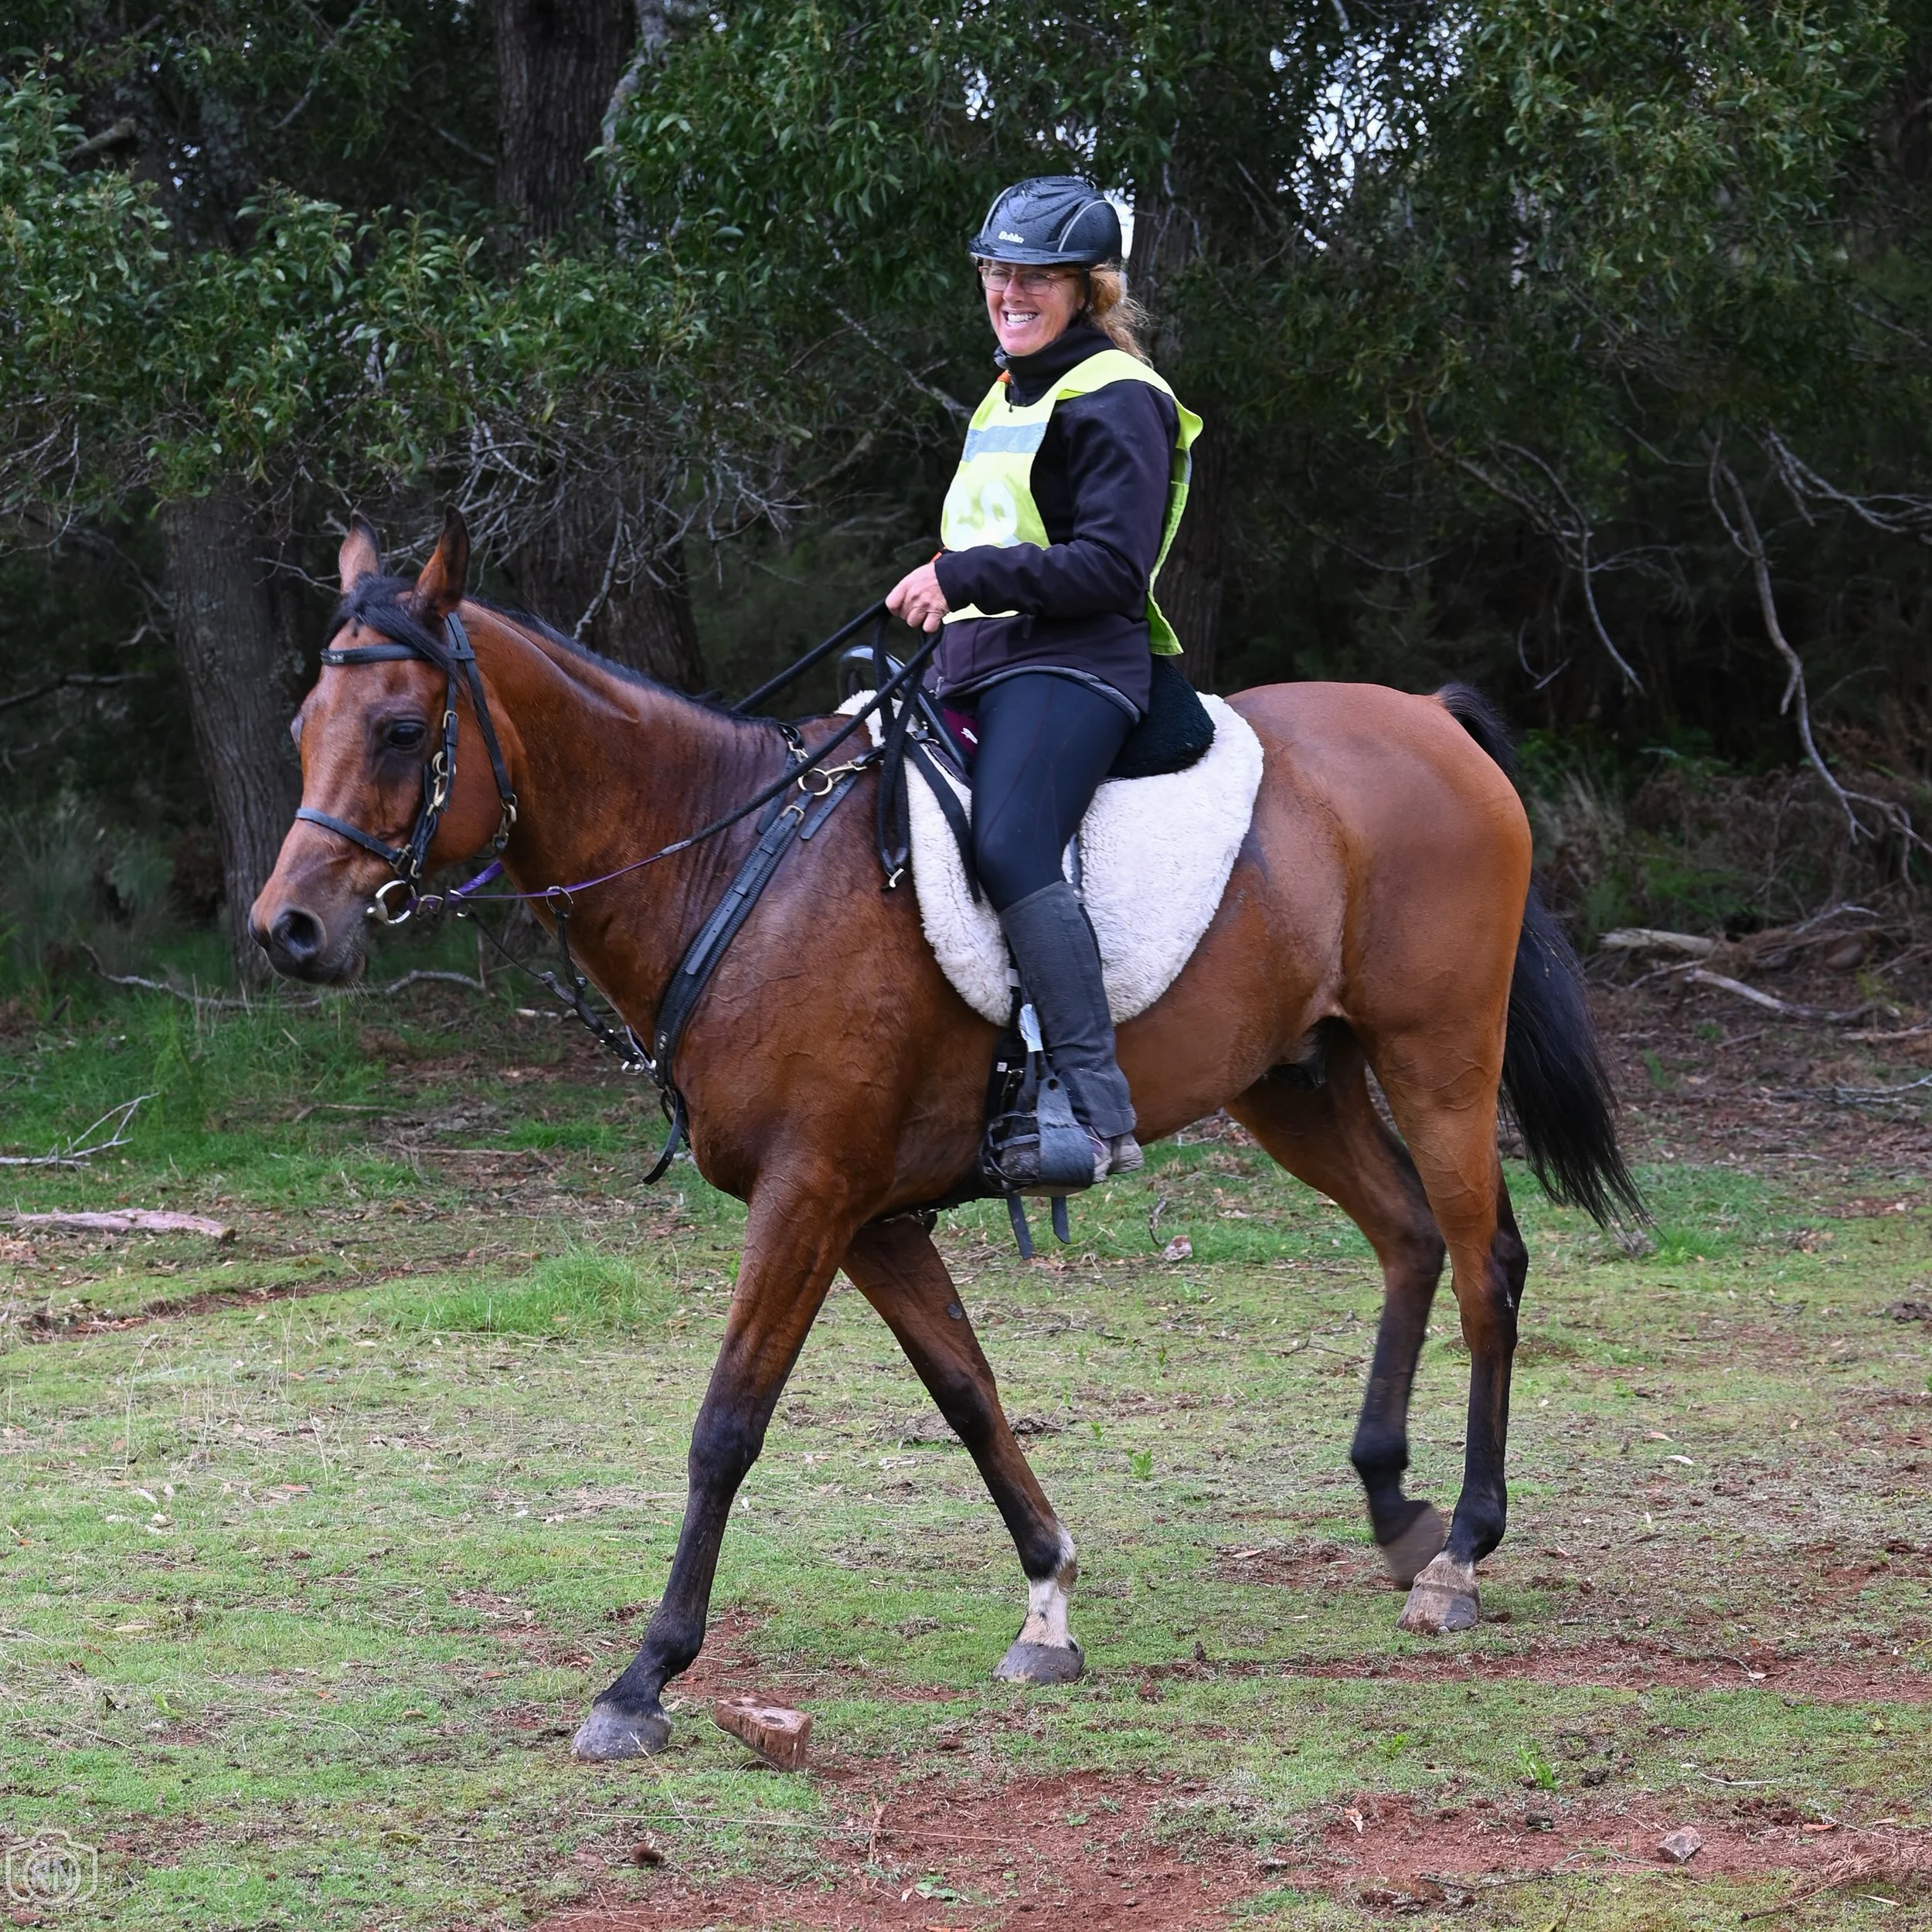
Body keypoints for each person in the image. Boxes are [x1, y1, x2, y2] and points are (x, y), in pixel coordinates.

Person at [887, 175, 1202, 1189]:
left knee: (1013, 843)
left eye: (1037, 277)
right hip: (977, 660)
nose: (1010, 292)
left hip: (1075, 661)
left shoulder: (1118, 394)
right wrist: (949, 588)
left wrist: (964, 576)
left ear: (1088, 290)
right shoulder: (1007, 391)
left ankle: (1094, 1109)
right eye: (997, 271)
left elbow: (1112, 566)